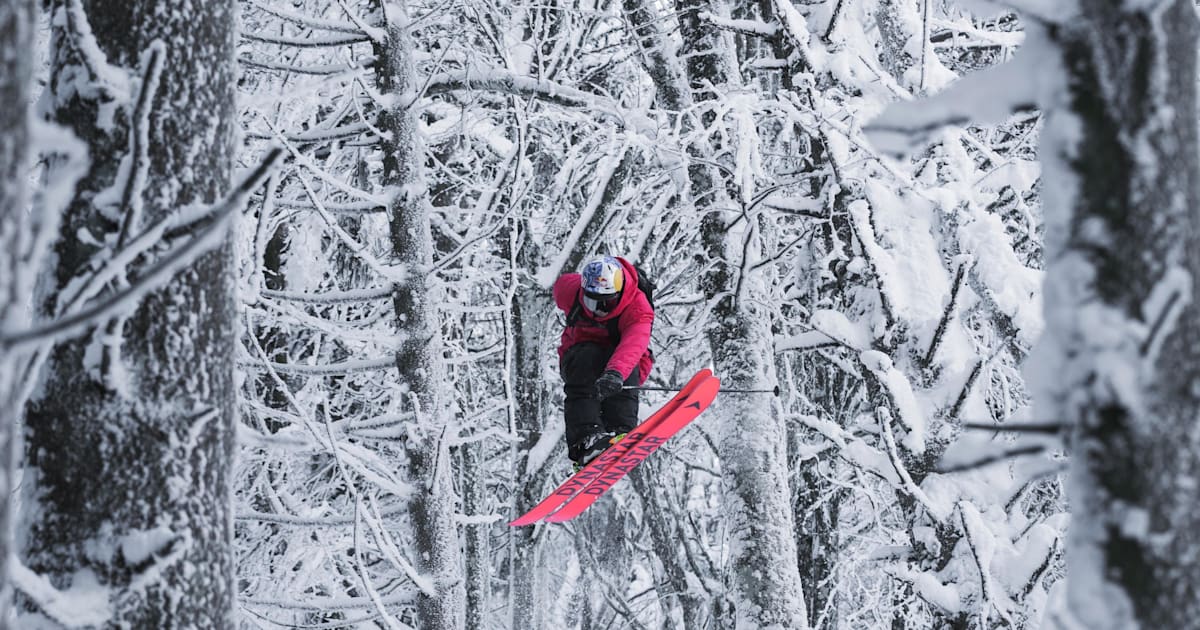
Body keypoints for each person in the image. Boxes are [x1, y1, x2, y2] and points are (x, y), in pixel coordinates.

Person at [552, 255, 654, 467]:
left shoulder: (637, 308)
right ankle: (586, 440)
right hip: (581, 361)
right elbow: (559, 286)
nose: (598, 309)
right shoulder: (570, 292)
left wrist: (615, 373)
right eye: (591, 301)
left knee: (621, 376)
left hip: (624, 365)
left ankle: (620, 431)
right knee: (586, 363)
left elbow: (634, 344)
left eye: (606, 303)